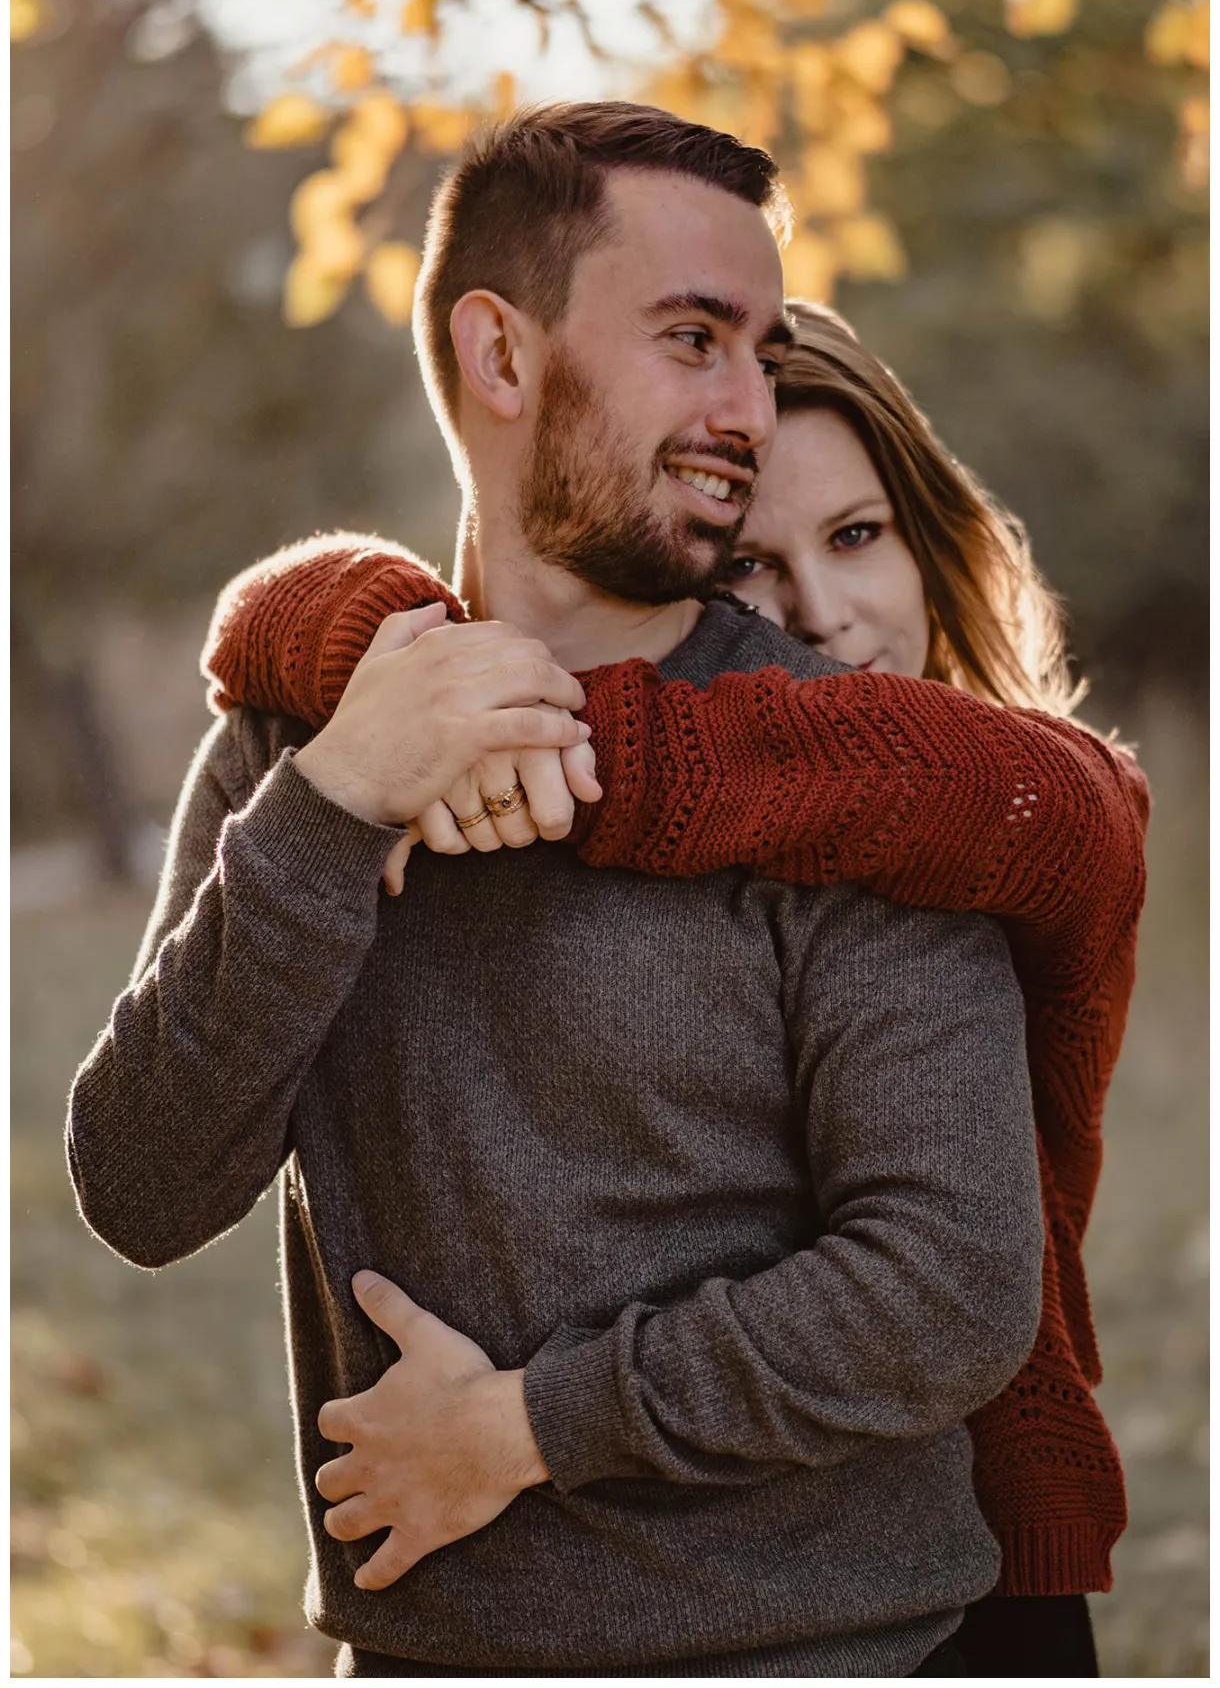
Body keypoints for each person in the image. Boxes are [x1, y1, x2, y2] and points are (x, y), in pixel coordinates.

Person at [68, 102, 1045, 1678]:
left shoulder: (856, 768)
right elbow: (141, 1188)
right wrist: (336, 807)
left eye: (760, 346)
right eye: (693, 338)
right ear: (501, 359)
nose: (750, 402)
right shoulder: (302, 746)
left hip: (830, 1649)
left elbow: (948, 1287)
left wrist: (537, 1425)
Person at [205, 301, 1148, 1678]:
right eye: (757, 565)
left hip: (968, 1533)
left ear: (930, 533)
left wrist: (514, 739)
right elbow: (262, 624)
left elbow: (836, 765)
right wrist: (385, 646)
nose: (824, 612)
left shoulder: (1019, 793)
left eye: (859, 537)